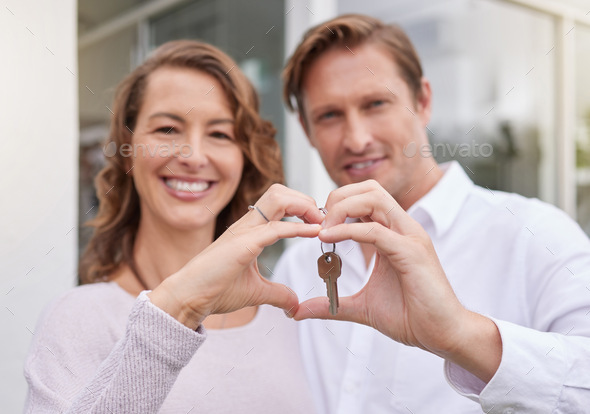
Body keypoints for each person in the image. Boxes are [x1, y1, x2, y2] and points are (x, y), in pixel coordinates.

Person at [277, 14, 590, 413]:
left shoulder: (534, 234)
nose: (356, 139)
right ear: (306, 131)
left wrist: (462, 336)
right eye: (329, 116)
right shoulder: (297, 265)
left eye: (376, 103)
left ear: (422, 101)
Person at [23, 40, 325, 413]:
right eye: (167, 129)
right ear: (128, 148)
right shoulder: (77, 319)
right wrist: (177, 309)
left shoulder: (291, 317)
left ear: (244, 158)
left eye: (220, 134)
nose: (193, 156)